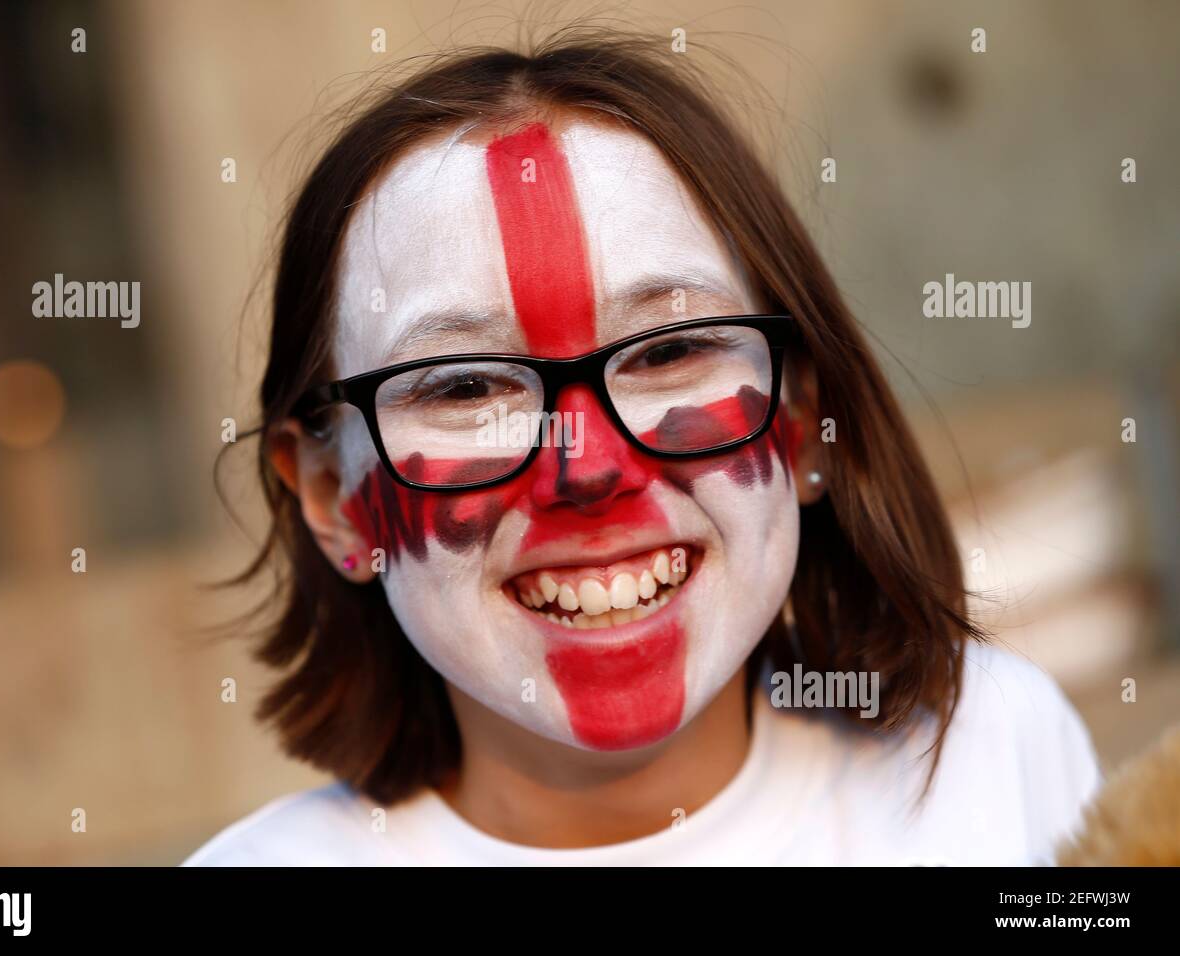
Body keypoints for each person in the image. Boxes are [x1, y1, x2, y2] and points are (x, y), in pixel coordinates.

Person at [186, 30, 1099, 865]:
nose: (586, 469)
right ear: (334, 498)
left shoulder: (994, 752)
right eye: (463, 386)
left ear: (801, 420)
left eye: (671, 350)